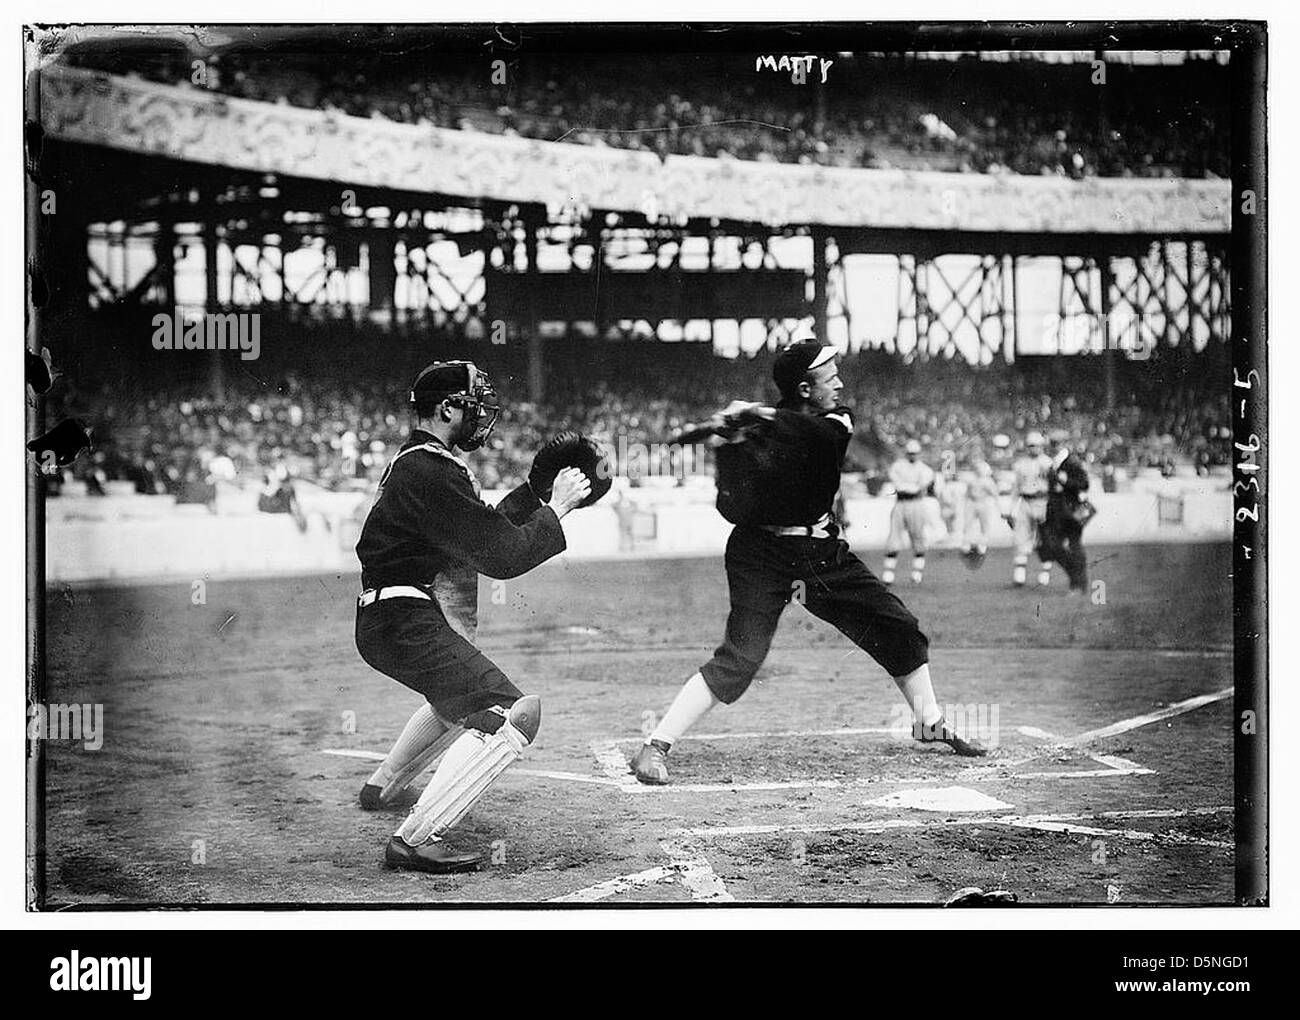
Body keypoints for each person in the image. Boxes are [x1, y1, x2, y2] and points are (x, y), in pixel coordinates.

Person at [629, 339, 986, 787]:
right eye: (828, 376)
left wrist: (761, 418)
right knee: (741, 658)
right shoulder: (758, 434)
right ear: (803, 388)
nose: (838, 382)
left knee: (897, 624)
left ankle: (928, 720)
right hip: (759, 556)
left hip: (820, 554)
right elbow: (733, 507)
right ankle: (655, 746)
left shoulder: (835, 421)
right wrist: (736, 444)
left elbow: (818, 438)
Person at [353, 360, 592, 873]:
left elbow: (483, 532)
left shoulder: (419, 463)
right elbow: (501, 556)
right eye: (472, 405)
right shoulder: (432, 470)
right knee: (511, 714)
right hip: (402, 615)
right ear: (446, 408)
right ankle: (415, 838)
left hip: (391, 613)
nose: (482, 415)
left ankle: (385, 785)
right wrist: (561, 508)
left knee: (457, 693)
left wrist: (534, 491)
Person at [1040, 428, 1092, 592]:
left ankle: (1079, 583)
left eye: (1055, 443)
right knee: (1053, 546)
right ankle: (1076, 578)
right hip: (1056, 512)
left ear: (1063, 444)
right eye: (1051, 443)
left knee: (1074, 545)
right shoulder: (1053, 463)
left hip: (1070, 511)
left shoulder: (1072, 462)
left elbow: (1084, 484)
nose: (1052, 446)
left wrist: (1066, 480)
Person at [883, 439, 935, 585]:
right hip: (901, 503)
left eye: (915, 453)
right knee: (894, 537)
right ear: (906, 453)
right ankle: (888, 574)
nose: (912, 456)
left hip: (916, 503)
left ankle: (916, 574)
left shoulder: (925, 469)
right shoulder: (898, 466)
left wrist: (909, 486)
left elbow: (918, 488)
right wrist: (909, 486)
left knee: (918, 537)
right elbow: (898, 486)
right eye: (910, 453)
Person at [1009, 431, 1052, 587]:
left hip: (1043, 501)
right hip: (1025, 501)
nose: (1034, 448)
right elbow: (1015, 488)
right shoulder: (1020, 464)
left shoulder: (1048, 463)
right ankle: (1019, 575)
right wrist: (1011, 508)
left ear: (1042, 446)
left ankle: (1044, 573)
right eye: (1031, 446)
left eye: (1037, 446)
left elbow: (1053, 487)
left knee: (1045, 538)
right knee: (1021, 537)